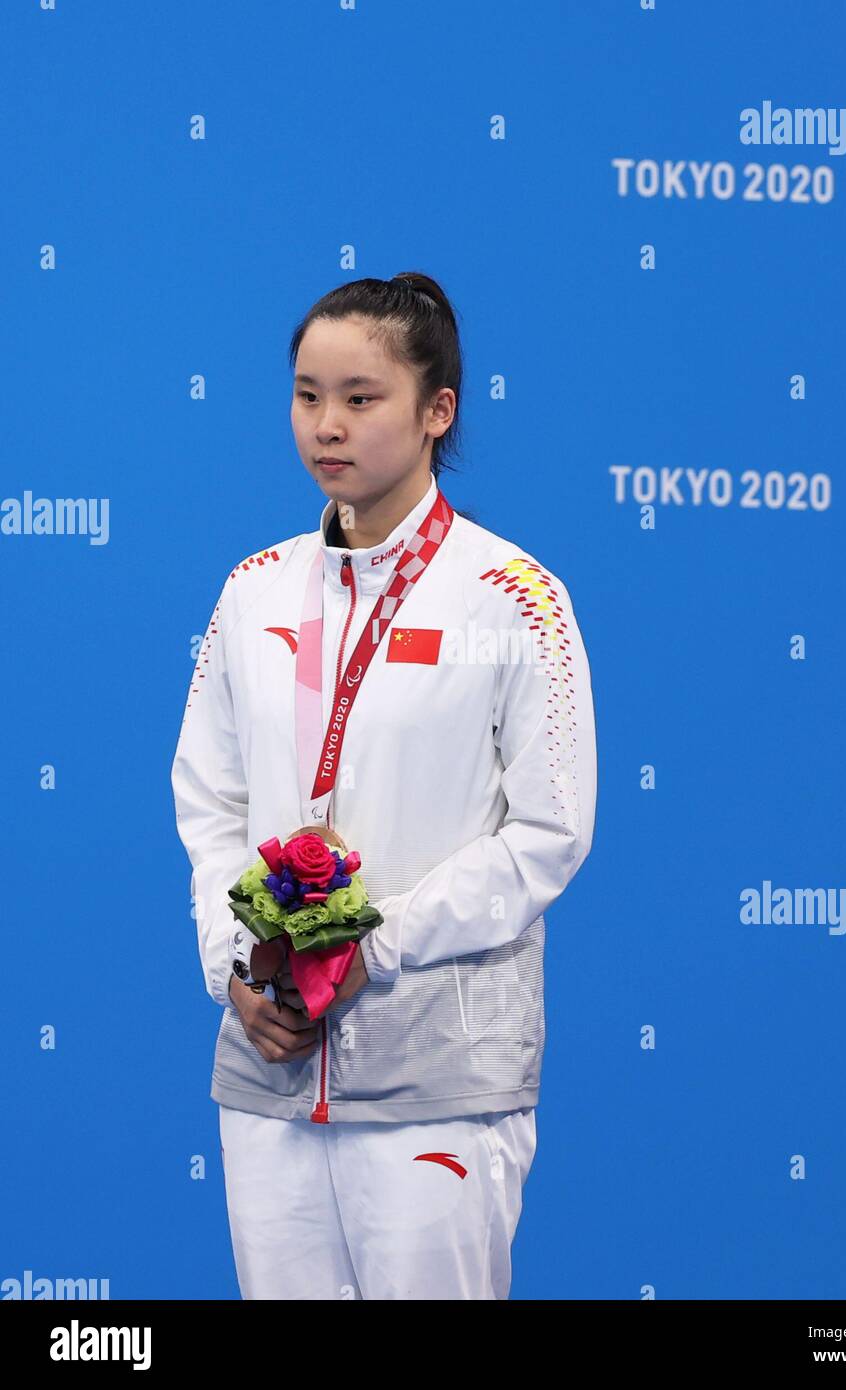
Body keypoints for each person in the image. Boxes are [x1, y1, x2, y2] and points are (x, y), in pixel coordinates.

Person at [170, 272, 598, 1300]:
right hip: (269, 1064)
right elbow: (210, 802)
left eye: (360, 397)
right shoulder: (251, 588)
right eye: (306, 394)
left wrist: (375, 944)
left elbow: (547, 832)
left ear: (435, 409)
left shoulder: (516, 599)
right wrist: (238, 964)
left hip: (436, 1082)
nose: (326, 424)